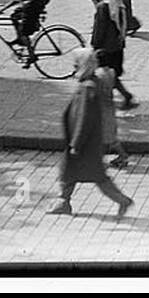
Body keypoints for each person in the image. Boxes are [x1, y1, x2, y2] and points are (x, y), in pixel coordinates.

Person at [49, 49, 133, 217]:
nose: (73, 66)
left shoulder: (87, 88)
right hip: (86, 140)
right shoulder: (89, 83)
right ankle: (63, 201)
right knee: (70, 172)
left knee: (96, 176)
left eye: (76, 63)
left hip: (85, 141)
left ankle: (122, 200)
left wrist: (76, 142)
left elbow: (84, 117)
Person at [90, 0, 135, 109]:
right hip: (118, 46)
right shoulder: (120, 3)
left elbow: (99, 30)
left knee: (105, 75)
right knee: (113, 75)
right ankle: (125, 96)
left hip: (105, 47)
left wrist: (94, 46)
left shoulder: (102, 7)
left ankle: (109, 100)